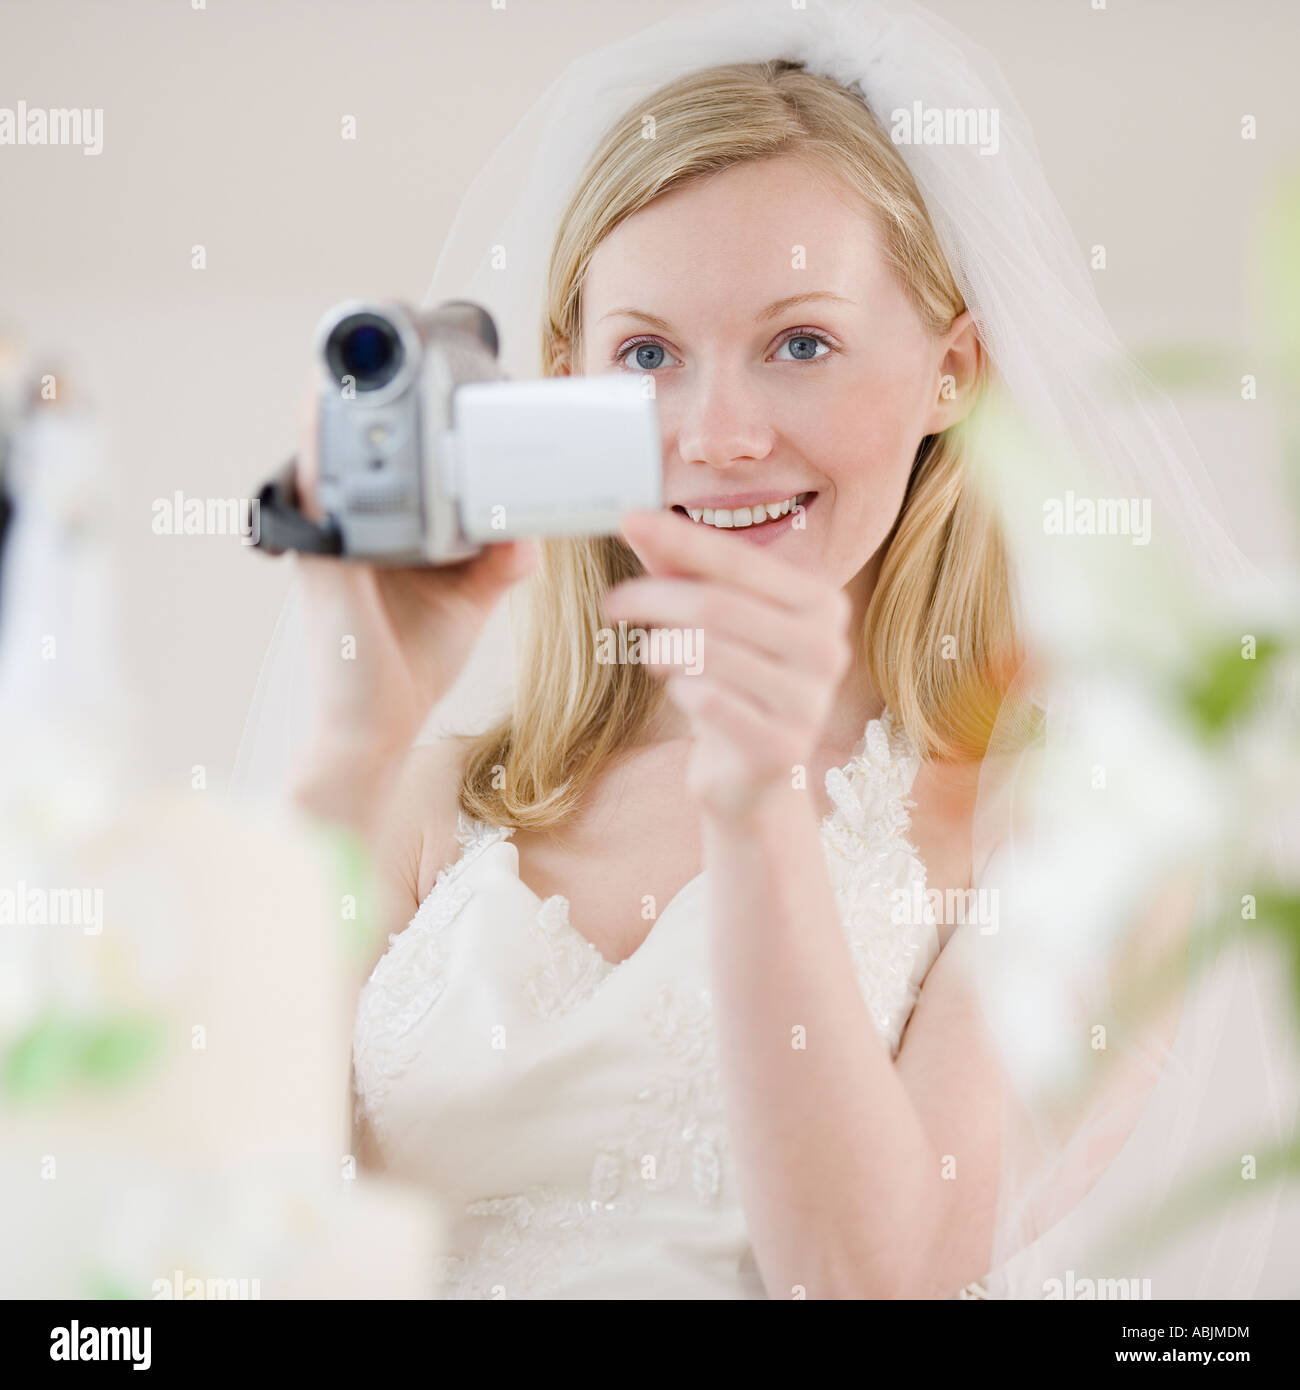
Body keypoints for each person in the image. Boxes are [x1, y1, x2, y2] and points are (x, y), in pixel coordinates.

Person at [244, 0, 1278, 1300]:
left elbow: (875, 1278)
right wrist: (351, 743)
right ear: (566, 380)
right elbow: (182, 1223)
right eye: (647, 354)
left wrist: (758, 802)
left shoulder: (1078, 818)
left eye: (801, 342)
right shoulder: (433, 800)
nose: (718, 432)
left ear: (952, 370)